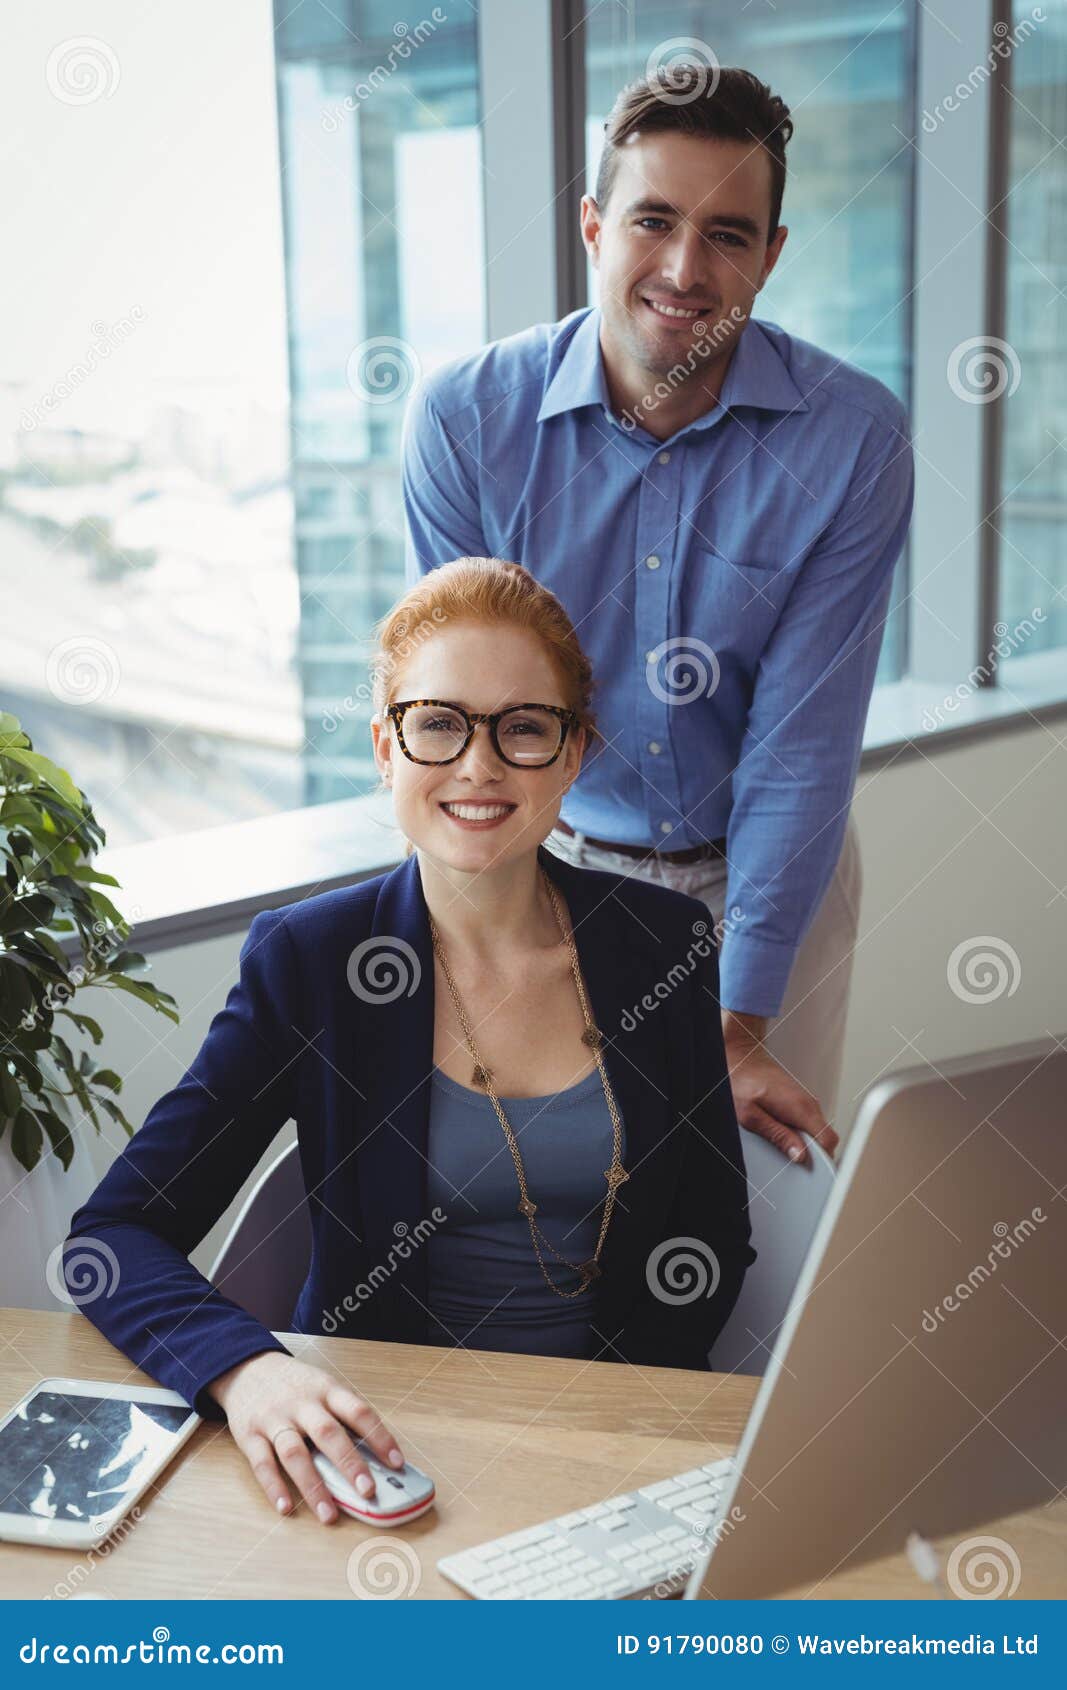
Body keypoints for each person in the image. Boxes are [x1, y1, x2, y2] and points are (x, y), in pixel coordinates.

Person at [64, 558, 755, 1529]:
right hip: (385, 1451)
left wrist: (613, 1429)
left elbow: (711, 1234)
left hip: (616, 1446)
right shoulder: (310, 959)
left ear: (574, 755)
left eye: (524, 727)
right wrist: (248, 1368)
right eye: (438, 724)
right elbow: (112, 1238)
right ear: (386, 748)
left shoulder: (662, 942)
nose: (478, 766)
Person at [402, 66, 915, 1166]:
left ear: (769, 256)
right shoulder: (466, 423)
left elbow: (797, 748)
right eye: (653, 220)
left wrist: (736, 1023)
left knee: (752, 1204)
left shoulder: (853, 442)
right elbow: (458, 727)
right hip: (548, 861)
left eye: (727, 235)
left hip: (770, 876)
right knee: (555, 1196)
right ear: (594, 226)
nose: (685, 269)